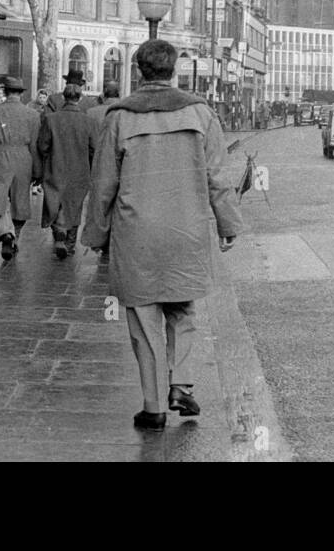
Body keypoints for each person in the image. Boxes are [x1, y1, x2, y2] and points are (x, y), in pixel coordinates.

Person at [81, 39, 244, 431]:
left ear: (139, 70)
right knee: (183, 308)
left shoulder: (119, 117)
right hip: (186, 228)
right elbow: (218, 177)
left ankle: (153, 406)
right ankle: (182, 384)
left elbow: (104, 182)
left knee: (143, 317)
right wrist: (228, 224)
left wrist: (96, 234)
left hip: (136, 232)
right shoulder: (202, 113)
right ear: (174, 70)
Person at [0, 76, 41, 261]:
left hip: (0, 156)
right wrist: (38, 169)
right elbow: (35, 145)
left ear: (5, 92)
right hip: (24, 158)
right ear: (21, 93)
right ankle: (15, 235)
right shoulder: (33, 115)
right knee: (20, 200)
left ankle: (6, 232)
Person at [34, 84, 94, 260]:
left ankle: (59, 230)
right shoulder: (88, 121)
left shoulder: (51, 119)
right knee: (75, 205)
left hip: (55, 166)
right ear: (80, 98)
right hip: (80, 169)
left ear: (63, 98)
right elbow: (94, 147)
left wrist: (49, 156)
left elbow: (43, 145)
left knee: (54, 200)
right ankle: (69, 243)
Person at [86, 81, 121, 152]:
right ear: (119, 92)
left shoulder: (91, 112)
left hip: (96, 155)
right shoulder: (126, 111)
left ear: (104, 92)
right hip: (119, 157)